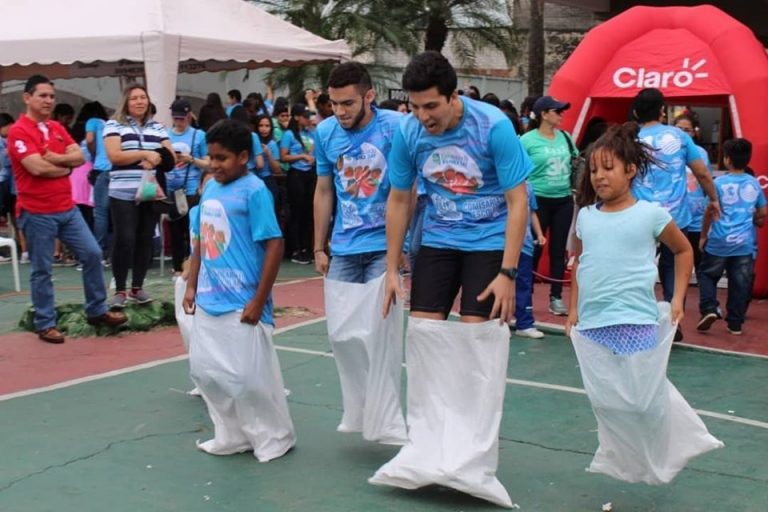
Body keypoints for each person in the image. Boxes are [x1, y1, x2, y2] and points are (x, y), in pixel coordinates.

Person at [373, 51, 530, 507]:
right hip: (439, 242)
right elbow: (400, 199)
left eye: (431, 108)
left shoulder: (494, 126)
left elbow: (518, 201)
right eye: (415, 107)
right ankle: (428, 450)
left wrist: (508, 272)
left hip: (488, 244)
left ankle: (471, 458)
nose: (423, 118)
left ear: (453, 96)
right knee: (426, 341)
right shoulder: (409, 133)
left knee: (476, 345)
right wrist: (390, 268)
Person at [566, 122, 722, 484]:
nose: (600, 177)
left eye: (608, 168)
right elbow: (580, 265)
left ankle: (674, 444)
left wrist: (678, 298)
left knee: (641, 399)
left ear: (630, 170)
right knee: (606, 401)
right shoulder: (586, 217)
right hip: (592, 325)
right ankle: (621, 458)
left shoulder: (650, 214)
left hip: (635, 319)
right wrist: (573, 310)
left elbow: (683, 251)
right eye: (594, 170)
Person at [182, 119, 294, 461]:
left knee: (247, 377)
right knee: (206, 372)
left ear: (244, 156)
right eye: (210, 157)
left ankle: (274, 435)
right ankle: (232, 434)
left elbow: (274, 244)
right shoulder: (212, 187)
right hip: (209, 296)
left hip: (242, 299)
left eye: (222, 158)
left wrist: (259, 300)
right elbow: (202, 239)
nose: (213, 165)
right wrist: (191, 283)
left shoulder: (255, 191)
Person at [6, 75, 127, 344]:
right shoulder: (19, 131)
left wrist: (58, 161)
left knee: (93, 253)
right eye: (43, 96)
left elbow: (80, 156)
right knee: (42, 269)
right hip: (36, 211)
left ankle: (96, 310)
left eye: (52, 96)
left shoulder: (56, 128)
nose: (49, 100)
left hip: (66, 208)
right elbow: (35, 167)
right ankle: (45, 323)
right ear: (27, 98)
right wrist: (64, 166)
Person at [630, 88, 719, 340]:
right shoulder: (679, 136)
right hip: (674, 217)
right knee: (672, 268)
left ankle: (640, 318)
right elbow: (702, 173)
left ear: (636, 112)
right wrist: (713, 199)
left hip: (640, 215)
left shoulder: (631, 138)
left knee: (639, 267)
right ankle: (672, 320)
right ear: (662, 111)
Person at [104, 84, 175, 308]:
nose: (139, 101)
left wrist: (157, 157)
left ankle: (137, 287)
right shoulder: (114, 125)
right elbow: (115, 155)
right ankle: (120, 290)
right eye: (134, 98)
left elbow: (170, 156)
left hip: (149, 191)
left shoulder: (158, 127)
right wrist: (146, 153)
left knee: (145, 239)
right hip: (122, 191)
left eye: (143, 97)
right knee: (125, 239)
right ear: (126, 102)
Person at [697, 138, 766, 336]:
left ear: (726, 159)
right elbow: (763, 212)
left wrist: (703, 236)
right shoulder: (754, 183)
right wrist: (750, 216)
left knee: (707, 275)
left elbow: (709, 211)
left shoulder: (718, 183)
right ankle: (735, 323)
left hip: (719, 241)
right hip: (744, 243)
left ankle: (709, 308)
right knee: (740, 283)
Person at [520, 95, 578, 316]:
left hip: (563, 199)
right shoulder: (527, 140)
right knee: (533, 249)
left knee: (557, 250)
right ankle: (526, 296)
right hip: (538, 201)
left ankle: (556, 297)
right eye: (557, 111)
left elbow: (576, 161)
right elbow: (517, 168)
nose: (561, 114)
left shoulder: (565, 137)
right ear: (544, 114)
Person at [167, 99, 210, 276]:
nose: (179, 122)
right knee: (175, 232)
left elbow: (208, 163)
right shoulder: (166, 135)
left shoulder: (198, 136)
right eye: (176, 118)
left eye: (182, 118)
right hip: (171, 189)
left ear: (189, 116)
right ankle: (178, 267)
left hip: (190, 189)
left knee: (192, 230)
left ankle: (193, 265)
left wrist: (191, 159)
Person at [674, 113, 712, 282]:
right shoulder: (665, 152)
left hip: (696, 215)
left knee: (698, 257)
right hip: (675, 214)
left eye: (687, 130)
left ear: (694, 132)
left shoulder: (701, 153)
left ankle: (706, 302)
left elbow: (706, 177)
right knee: (672, 259)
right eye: (678, 129)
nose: (682, 132)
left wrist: (711, 201)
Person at [280, 103, 316, 264]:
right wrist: (301, 156)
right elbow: (284, 156)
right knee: (297, 211)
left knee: (309, 211)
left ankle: (307, 248)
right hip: (296, 174)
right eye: (305, 116)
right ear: (297, 117)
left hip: (310, 173)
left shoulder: (311, 133)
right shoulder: (289, 134)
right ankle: (296, 249)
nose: (308, 119)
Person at [514, 182, 546, 338]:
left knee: (524, 283)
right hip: (501, 244)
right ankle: (498, 321)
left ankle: (525, 324)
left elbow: (532, 212)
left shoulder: (529, 187)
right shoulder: (499, 182)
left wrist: (539, 234)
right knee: (501, 282)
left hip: (525, 244)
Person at [82, 102, 112, 262]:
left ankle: (99, 251)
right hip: (115, 168)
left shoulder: (92, 122)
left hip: (100, 168)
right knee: (114, 212)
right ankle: (113, 251)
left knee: (100, 213)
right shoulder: (108, 124)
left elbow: (90, 138)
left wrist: (92, 151)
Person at [0, 113, 27, 263]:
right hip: (7, 185)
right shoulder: (4, 142)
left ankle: (25, 251)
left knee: (18, 219)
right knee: (16, 219)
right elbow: (7, 163)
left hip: (13, 186)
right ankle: (24, 251)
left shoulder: (11, 140)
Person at [253, 114, 281, 213]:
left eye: (267, 126)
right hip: (252, 180)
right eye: (261, 126)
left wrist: (268, 154)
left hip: (267, 180)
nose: (264, 129)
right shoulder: (252, 141)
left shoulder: (272, 144)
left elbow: (277, 170)